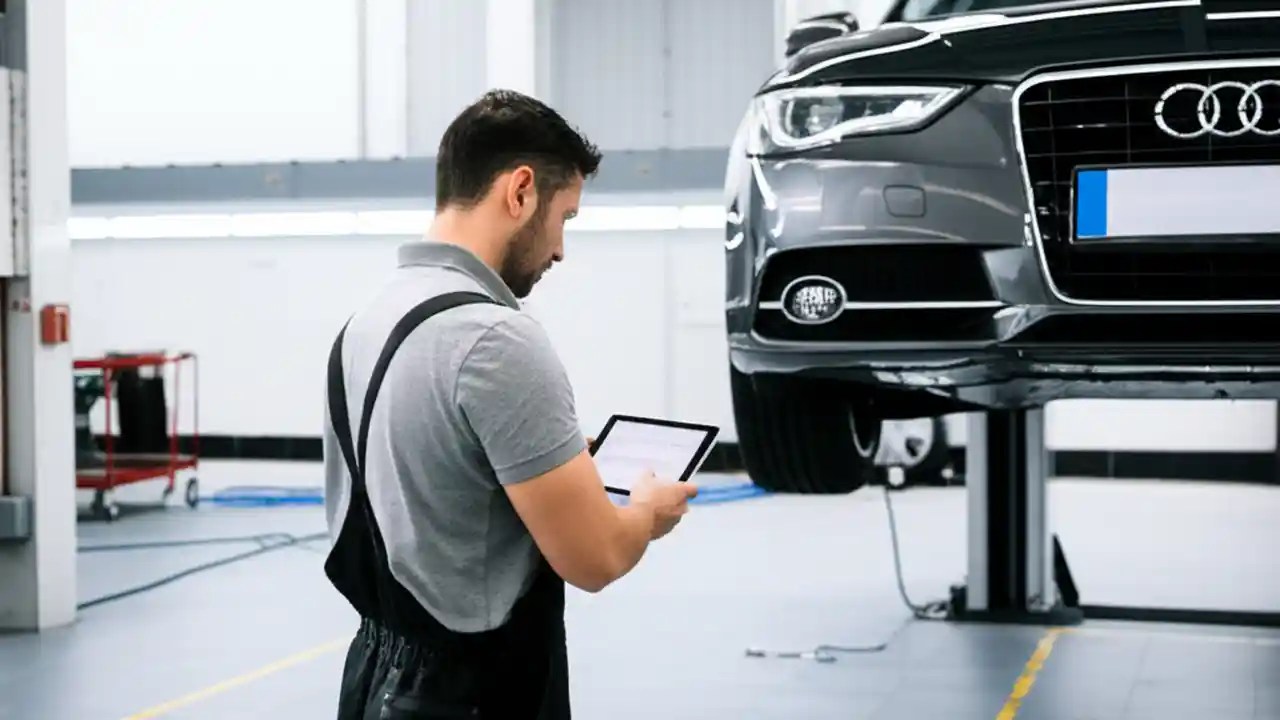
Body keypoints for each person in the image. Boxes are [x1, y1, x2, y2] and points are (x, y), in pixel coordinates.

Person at [322, 89, 698, 720]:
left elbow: (434, 476)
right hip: (473, 694)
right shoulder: (496, 337)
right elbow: (596, 557)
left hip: (374, 679)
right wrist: (648, 512)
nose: (559, 250)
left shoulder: (366, 322)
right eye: (565, 219)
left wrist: (550, 462)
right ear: (521, 191)